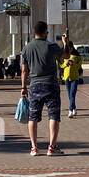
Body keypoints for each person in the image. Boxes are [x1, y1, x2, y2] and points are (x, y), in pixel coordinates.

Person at [20, 20, 64, 156]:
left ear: (34, 32)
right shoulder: (52, 46)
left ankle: (34, 147)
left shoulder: (27, 48)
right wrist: (65, 42)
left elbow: (24, 71)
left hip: (34, 85)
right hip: (51, 84)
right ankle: (52, 147)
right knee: (54, 115)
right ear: (46, 32)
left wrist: (23, 87)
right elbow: (65, 56)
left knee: (32, 117)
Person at [61, 39, 83, 118]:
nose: (69, 50)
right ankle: (74, 108)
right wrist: (65, 64)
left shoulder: (76, 55)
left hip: (74, 77)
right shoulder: (65, 55)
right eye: (67, 48)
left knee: (72, 94)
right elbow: (61, 65)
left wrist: (74, 64)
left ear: (72, 47)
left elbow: (79, 66)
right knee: (69, 95)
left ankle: (70, 110)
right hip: (66, 77)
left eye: (69, 48)